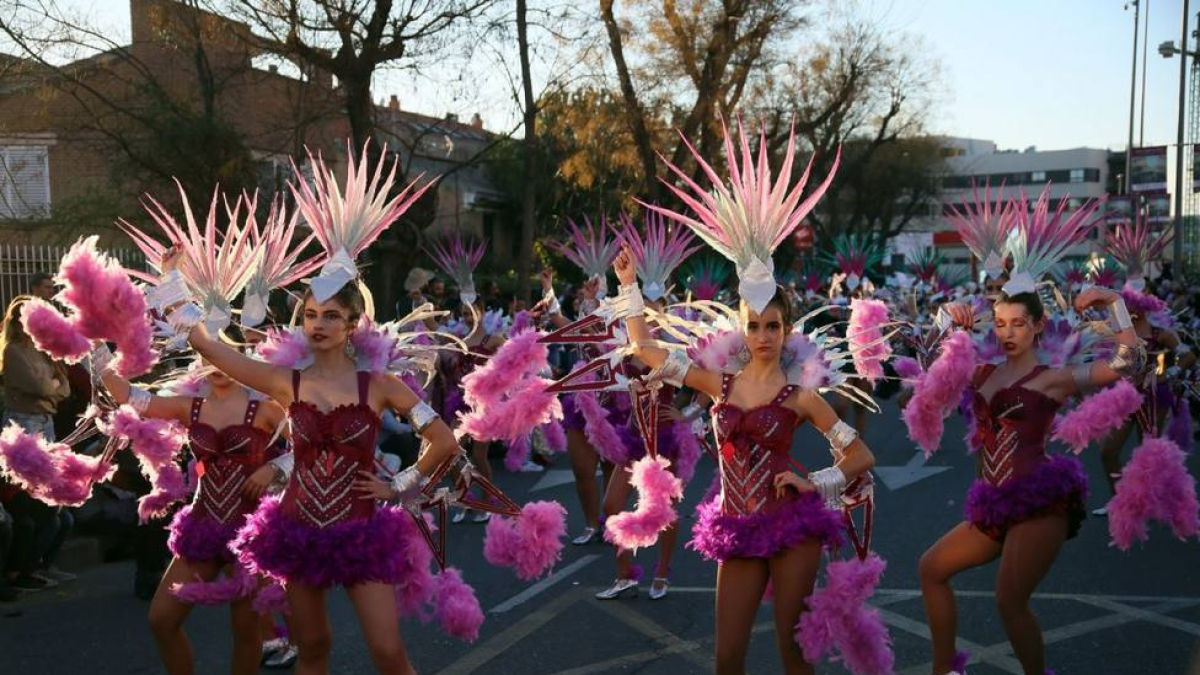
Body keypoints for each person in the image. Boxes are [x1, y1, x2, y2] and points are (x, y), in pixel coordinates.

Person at [613, 243, 875, 675]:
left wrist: (815, 482)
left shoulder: (802, 397)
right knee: (727, 659)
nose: (763, 336)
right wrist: (628, 286)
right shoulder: (719, 384)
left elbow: (860, 454)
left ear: (787, 330)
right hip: (735, 526)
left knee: (794, 653)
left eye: (772, 326)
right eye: (754, 326)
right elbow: (643, 348)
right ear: (743, 330)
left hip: (791, 526)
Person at [185, 278, 462, 675]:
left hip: (361, 531)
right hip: (298, 530)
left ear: (352, 324)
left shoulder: (380, 385)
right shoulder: (286, 382)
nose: (318, 324)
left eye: (331, 316)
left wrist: (397, 484)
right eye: (311, 315)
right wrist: (174, 285)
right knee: (313, 647)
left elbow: (444, 440)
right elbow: (208, 346)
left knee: (388, 651)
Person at [921, 288, 1142, 675]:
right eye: (1000, 323)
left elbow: (1128, 362)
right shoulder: (982, 372)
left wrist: (1112, 301)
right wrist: (944, 319)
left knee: (1009, 600)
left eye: (1018, 324)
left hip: (1038, 503)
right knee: (931, 569)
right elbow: (928, 372)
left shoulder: (1053, 378)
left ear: (1038, 326)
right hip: (993, 502)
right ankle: (945, 671)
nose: (1007, 333)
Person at [98, 357, 285, 675]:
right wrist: (95, 347)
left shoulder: (267, 409)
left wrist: (276, 466)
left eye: (223, 356)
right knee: (161, 620)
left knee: (245, 629)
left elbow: (313, 443)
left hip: (252, 533)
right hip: (203, 525)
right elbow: (128, 395)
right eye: (208, 358)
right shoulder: (189, 407)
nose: (218, 366)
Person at [0, 295, 73, 592]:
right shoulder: (14, 351)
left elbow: (65, 387)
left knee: (50, 500)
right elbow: (42, 386)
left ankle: (38, 565)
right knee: (32, 498)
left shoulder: (42, 351)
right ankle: (20, 571)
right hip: (25, 422)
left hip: (46, 420)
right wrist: (51, 388)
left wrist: (51, 388)